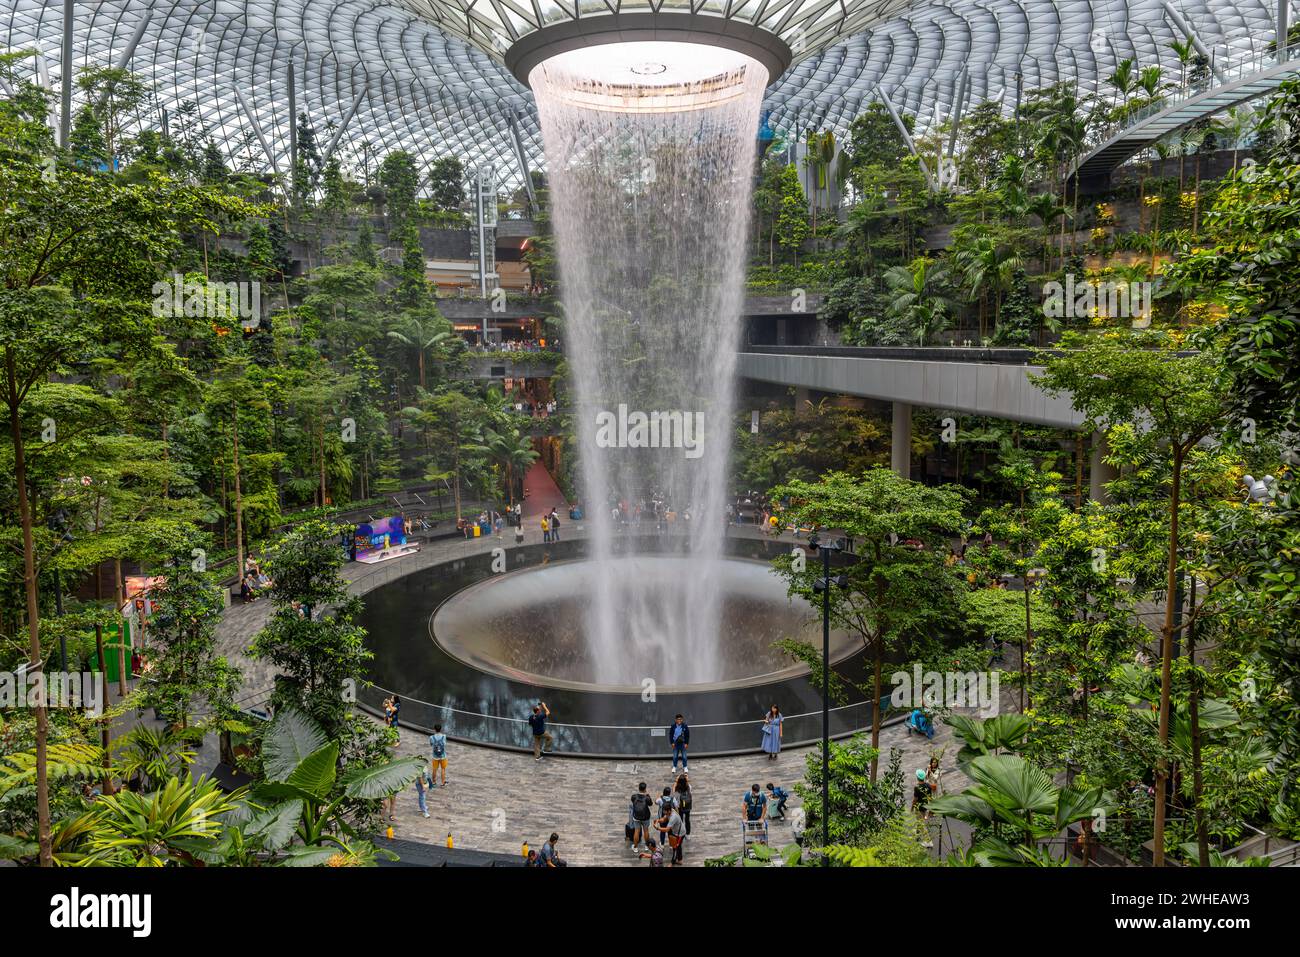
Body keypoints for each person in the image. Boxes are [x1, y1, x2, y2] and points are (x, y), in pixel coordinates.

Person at [657, 801, 687, 865]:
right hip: (675, 832)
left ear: (668, 811)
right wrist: (658, 821)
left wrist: (657, 828)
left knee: (675, 847)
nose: (663, 812)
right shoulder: (670, 811)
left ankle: (673, 862)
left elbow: (667, 829)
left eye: (664, 811)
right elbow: (664, 819)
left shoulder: (673, 817)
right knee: (676, 846)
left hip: (680, 834)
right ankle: (679, 860)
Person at [911, 769, 934, 848]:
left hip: (919, 807)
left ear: (917, 777)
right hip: (925, 807)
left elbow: (915, 799)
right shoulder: (928, 785)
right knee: (920, 821)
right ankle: (917, 836)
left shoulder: (917, 787)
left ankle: (928, 841)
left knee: (921, 823)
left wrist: (912, 807)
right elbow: (930, 797)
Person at [630, 782, 654, 852]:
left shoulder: (634, 796)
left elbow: (633, 802)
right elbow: (651, 804)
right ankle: (646, 846)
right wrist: (648, 795)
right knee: (646, 830)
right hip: (645, 817)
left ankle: (635, 847)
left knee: (636, 831)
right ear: (645, 789)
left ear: (639, 788)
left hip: (636, 817)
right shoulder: (647, 798)